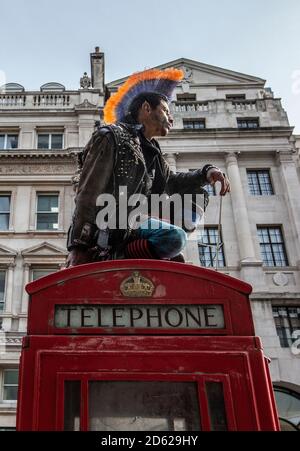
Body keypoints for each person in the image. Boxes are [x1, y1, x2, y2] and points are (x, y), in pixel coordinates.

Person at [66, 68, 230, 267]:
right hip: (112, 225)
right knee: (175, 238)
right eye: (166, 111)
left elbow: (172, 181)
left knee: (198, 194)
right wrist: (78, 247)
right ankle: (117, 253)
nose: (171, 118)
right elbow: (88, 193)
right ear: (146, 108)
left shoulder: (152, 149)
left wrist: (207, 172)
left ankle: (147, 249)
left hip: (138, 220)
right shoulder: (110, 136)